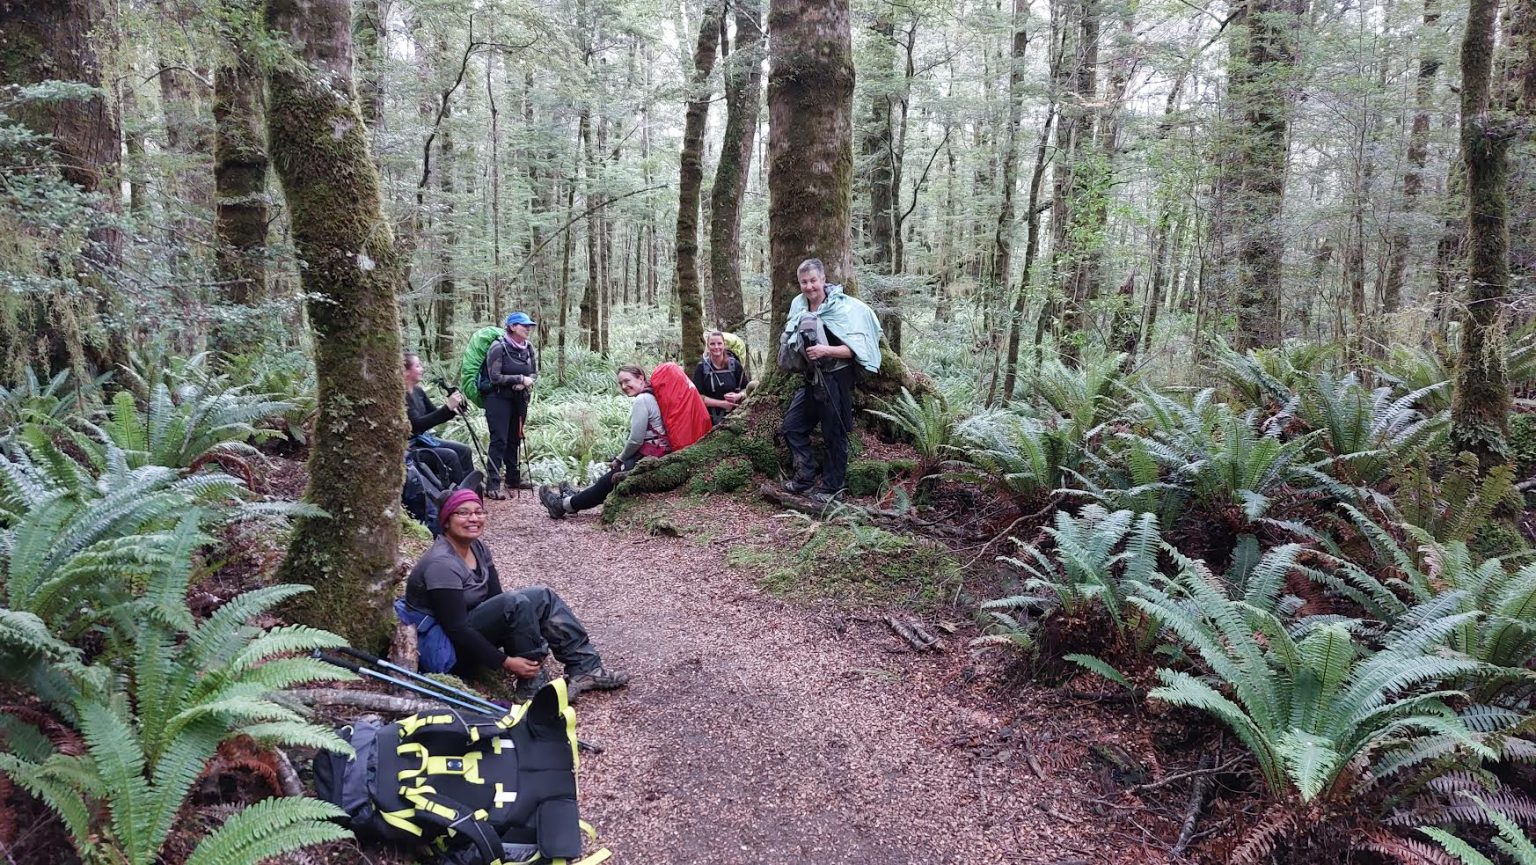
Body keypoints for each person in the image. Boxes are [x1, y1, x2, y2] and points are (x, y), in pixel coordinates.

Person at [401, 488, 630, 699]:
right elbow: (456, 629)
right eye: (463, 513)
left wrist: (528, 632)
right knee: (515, 603)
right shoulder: (441, 564)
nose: (473, 518)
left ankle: (586, 668)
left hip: (472, 631)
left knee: (542, 596)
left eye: (479, 512)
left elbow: (496, 600)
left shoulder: (477, 547)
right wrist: (506, 662)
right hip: (448, 649)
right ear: (446, 521)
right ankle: (531, 685)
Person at [779, 258, 883, 504]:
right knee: (792, 426)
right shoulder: (799, 306)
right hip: (811, 379)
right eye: (804, 282)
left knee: (834, 434)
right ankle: (804, 478)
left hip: (837, 378)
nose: (809, 286)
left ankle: (832, 488)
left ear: (823, 279)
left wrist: (826, 351)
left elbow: (857, 350)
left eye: (813, 280)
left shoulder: (843, 309)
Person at [537, 365, 668, 519]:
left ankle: (563, 505)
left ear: (640, 378)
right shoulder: (652, 395)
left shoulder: (642, 399)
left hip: (650, 456)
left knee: (606, 483)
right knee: (606, 480)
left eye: (627, 381)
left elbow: (635, 440)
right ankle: (573, 496)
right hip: (659, 453)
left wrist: (620, 458)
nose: (624, 386)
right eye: (621, 383)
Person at [484, 312, 539, 499]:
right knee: (499, 440)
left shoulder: (528, 347)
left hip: (519, 398)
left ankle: (513, 478)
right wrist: (519, 379)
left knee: (515, 437)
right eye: (524, 325)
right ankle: (492, 484)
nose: (528, 329)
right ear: (512, 327)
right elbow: (494, 377)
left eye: (529, 326)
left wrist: (526, 382)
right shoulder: (498, 347)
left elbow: (534, 373)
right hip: (497, 398)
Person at [404, 351, 474, 486]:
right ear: (406, 372)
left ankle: (471, 492)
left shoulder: (418, 391)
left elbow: (434, 414)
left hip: (424, 440)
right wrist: (447, 408)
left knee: (465, 450)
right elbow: (416, 425)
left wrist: (453, 410)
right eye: (417, 366)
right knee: (450, 456)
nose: (422, 369)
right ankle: (457, 495)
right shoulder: (401, 396)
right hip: (411, 447)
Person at [692, 331, 750, 425]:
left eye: (719, 343)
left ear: (724, 345)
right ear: (708, 346)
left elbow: (746, 389)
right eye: (712, 344)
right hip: (709, 419)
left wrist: (738, 396)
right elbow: (697, 397)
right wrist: (722, 404)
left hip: (735, 418)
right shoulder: (701, 367)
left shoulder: (735, 365)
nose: (716, 347)